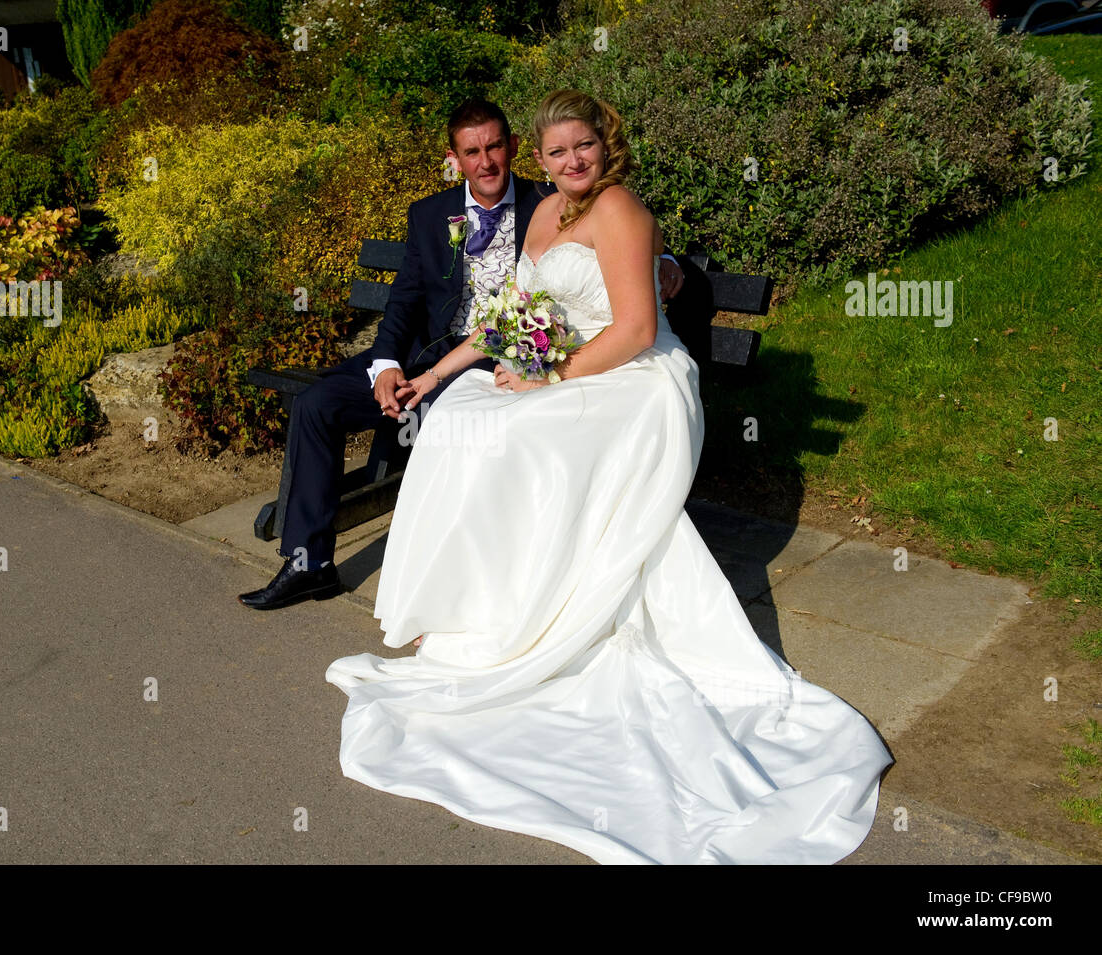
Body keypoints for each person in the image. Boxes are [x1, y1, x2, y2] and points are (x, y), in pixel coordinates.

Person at [325, 89, 893, 865]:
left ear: (605, 142)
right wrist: (434, 373)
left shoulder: (622, 210)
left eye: (582, 147)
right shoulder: (545, 215)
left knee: (519, 436)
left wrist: (548, 376)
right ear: (542, 159)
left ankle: (530, 614)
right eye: (556, 153)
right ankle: (476, 612)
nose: (571, 162)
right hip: (570, 368)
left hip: (637, 383)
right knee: (460, 416)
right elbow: (509, 319)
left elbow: (632, 328)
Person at [238, 98, 686, 610]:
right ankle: (308, 564)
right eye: (472, 152)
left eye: (495, 146)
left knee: (454, 427)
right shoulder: (430, 214)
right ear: (454, 157)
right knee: (317, 404)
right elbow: (403, 300)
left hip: (509, 357)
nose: (486, 161)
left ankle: (453, 589)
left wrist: (665, 258)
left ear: (517, 149)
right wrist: (387, 365)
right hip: (436, 354)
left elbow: (623, 231)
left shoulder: (553, 193)